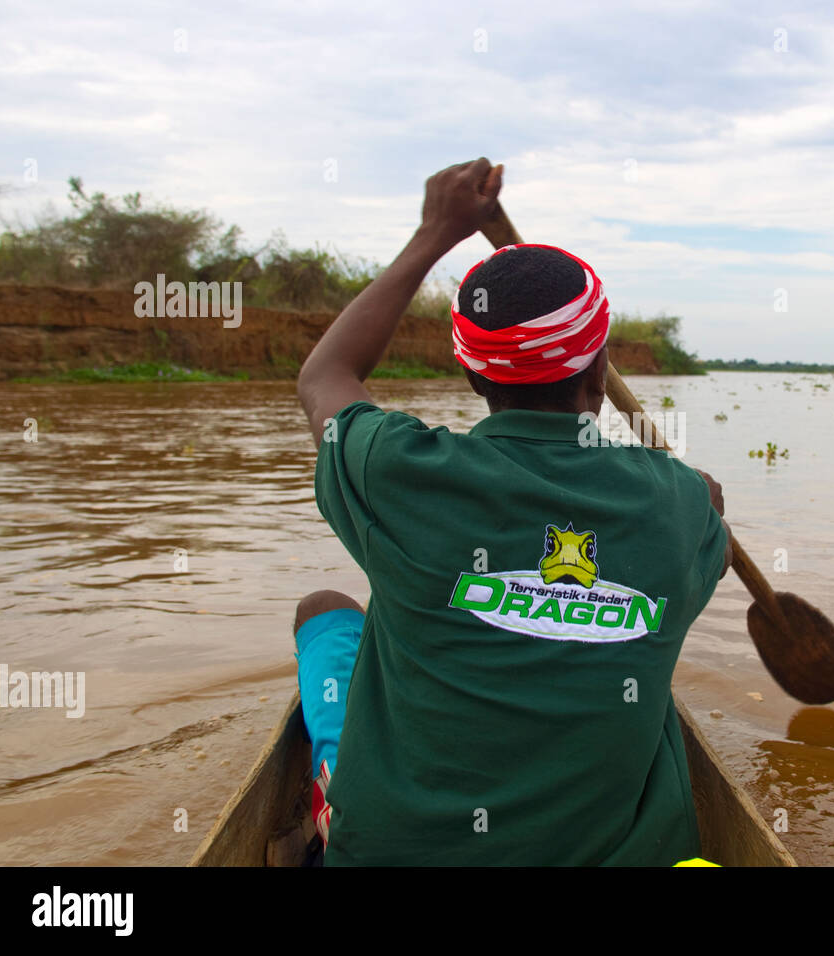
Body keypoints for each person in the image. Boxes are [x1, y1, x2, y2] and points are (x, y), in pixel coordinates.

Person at [292, 158, 732, 865]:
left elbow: (325, 377)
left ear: (470, 373)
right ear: (599, 368)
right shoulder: (679, 507)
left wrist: (434, 233)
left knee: (323, 607)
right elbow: (700, 510)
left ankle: (325, 793)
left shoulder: (396, 471)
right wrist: (700, 501)